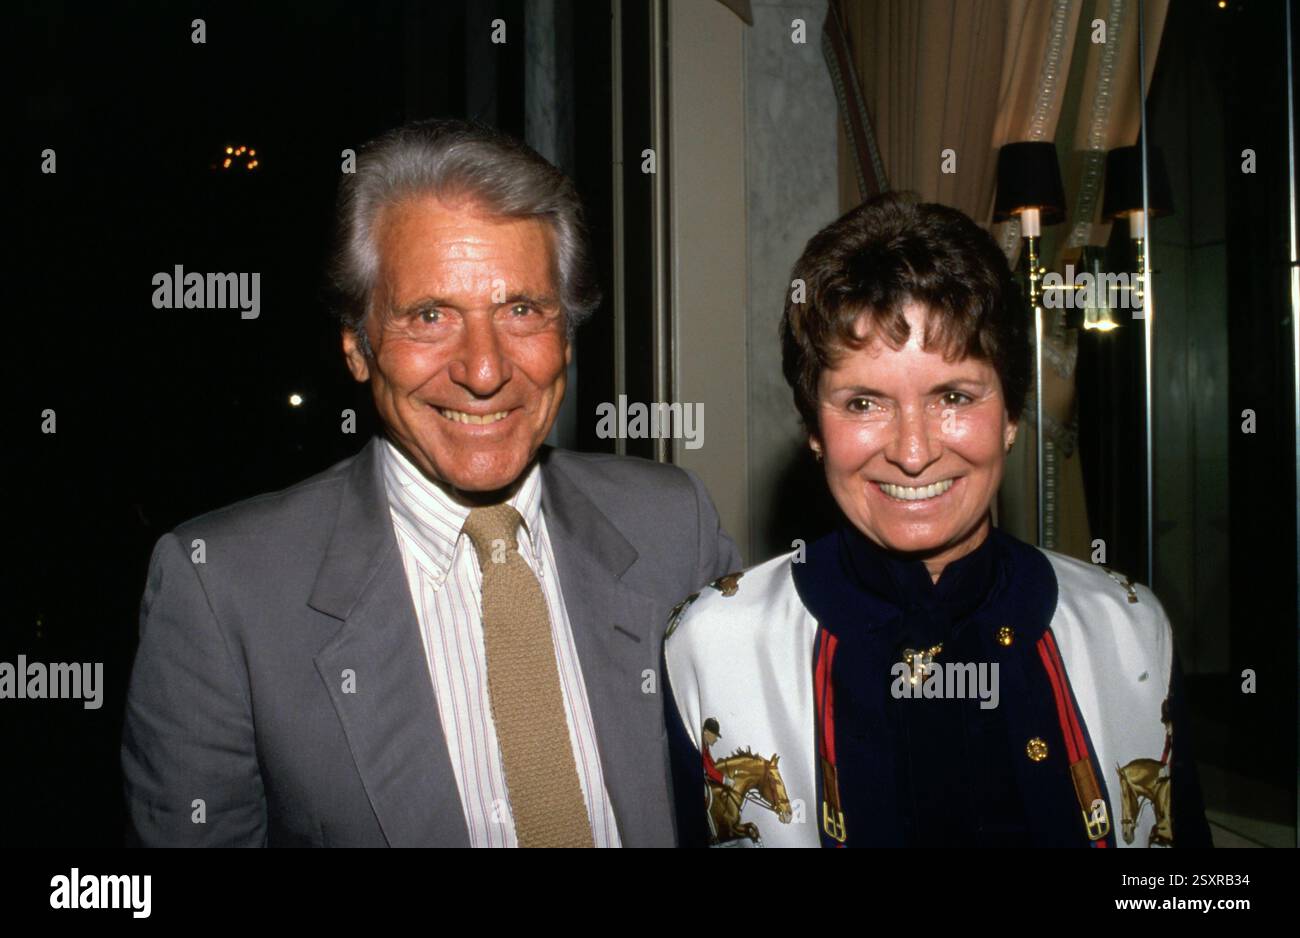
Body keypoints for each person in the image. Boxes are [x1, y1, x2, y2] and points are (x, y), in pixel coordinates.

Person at [122, 118, 741, 847]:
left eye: (521, 310)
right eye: (429, 315)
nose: (483, 369)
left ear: (566, 336)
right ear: (357, 346)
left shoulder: (675, 526)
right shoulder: (222, 592)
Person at [663, 192, 1212, 848]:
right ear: (814, 427)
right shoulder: (709, 649)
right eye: (863, 402)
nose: (914, 452)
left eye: (954, 396)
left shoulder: (1130, 629)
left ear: (1011, 414)